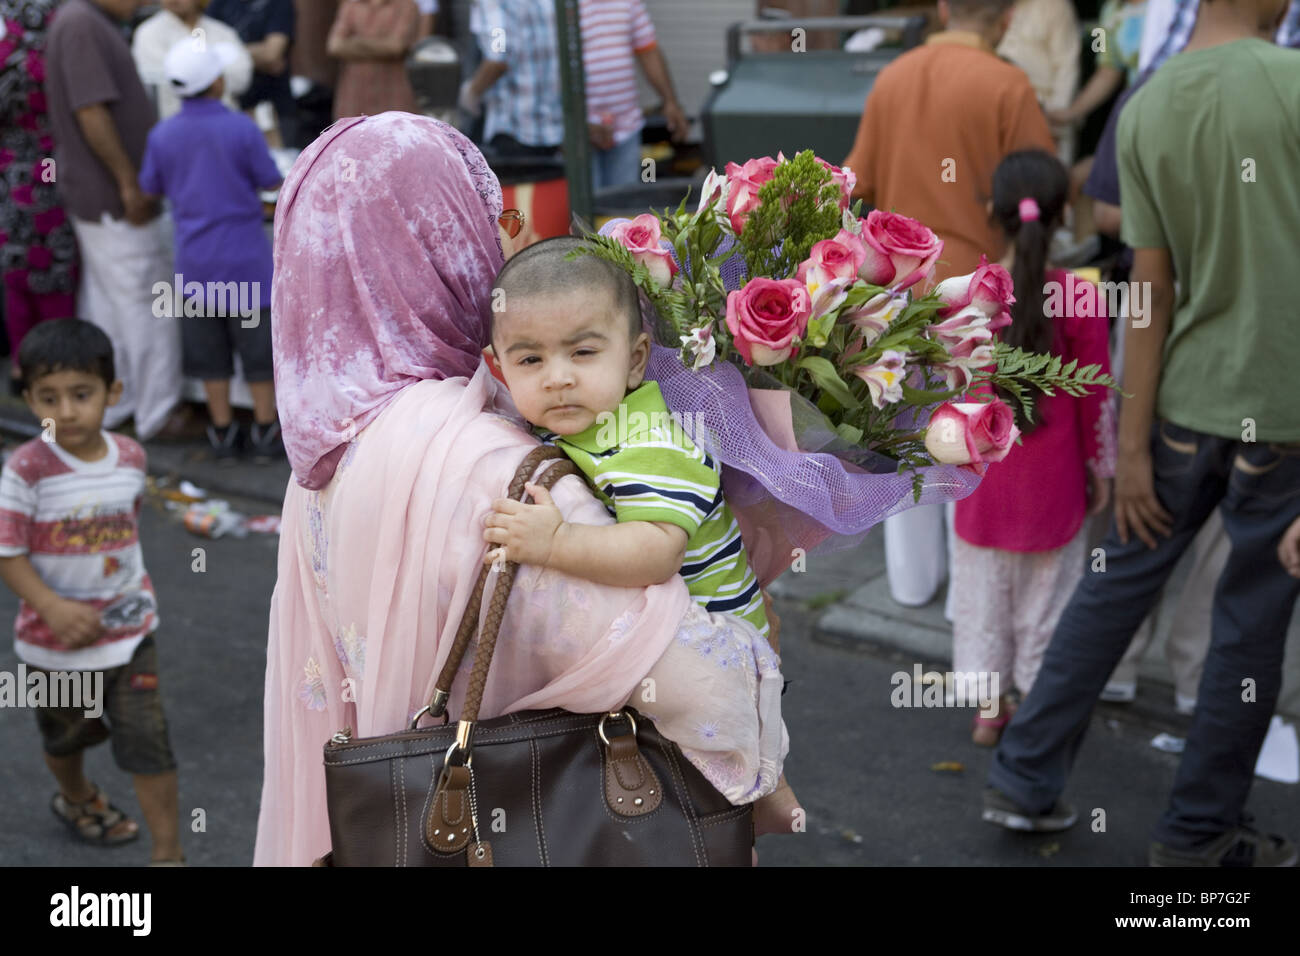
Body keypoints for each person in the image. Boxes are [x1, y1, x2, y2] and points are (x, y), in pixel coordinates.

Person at [253, 113, 792, 865]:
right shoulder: (490, 464)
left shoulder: (322, 448)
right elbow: (700, 692)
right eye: (479, 216)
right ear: (445, 241)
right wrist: (755, 660)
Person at [985, 0, 1300, 867]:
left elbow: (1146, 297)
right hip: (1282, 419)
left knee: (1114, 586)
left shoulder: (1150, 104)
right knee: (1249, 624)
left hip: (1176, 411)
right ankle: (1197, 835)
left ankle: (1023, 775)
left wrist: (1128, 447)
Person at [842, 0, 1056, 610]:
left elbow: (859, 182)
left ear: (941, 7)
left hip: (899, 290)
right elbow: (1035, 191)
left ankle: (911, 586)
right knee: (971, 437)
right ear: (1008, 16)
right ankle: (973, 596)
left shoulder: (895, 75)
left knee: (903, 428)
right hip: (980, 294)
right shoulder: (1008, 85)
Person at [0, 318, 182, 864]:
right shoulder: (25, 469)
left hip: (130, 636)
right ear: (30, 400)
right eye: (48, 398)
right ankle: (77, 796)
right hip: (52, 645)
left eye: (82, 394)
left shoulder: (130, 457)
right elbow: (7, 551)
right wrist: (52, 606)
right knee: (65, 739)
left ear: (113, 392)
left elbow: (124, 531)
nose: (67, 411)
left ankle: (169, 855)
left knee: (150, 746)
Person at [948, 150, 1114, 747]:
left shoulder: (966, 295)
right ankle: (1042, 718)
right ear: (1065, 212)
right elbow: (1098, 398)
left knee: (984, 596)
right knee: (1050, 602)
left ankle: (989, 712)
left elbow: (949, 391)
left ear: (994, 213)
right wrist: (1106, 471)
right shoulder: (1082, 296)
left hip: (982, 482)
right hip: (1057, 484)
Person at [44, 0, 186, 442]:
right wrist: (128, 182)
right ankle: (159, 413)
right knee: (146, 302)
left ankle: (119, 406)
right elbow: (91, 112)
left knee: (110, 304)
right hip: (111, 194)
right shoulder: (82, 23)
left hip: (98, 193)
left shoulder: (81, 21)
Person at [138, 40, 285, 464]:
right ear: (218, 82)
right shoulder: (241, 128)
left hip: (195, 267)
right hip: (246, 263)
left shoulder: (162, 134)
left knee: (210, 357)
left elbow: (151, 187)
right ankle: (264, 431)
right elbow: (270, 179)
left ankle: (221, 433)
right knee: (258, 356)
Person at [0, 0, 79, 396]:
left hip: (10, 175)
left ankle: (21, 365)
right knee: (55, 275)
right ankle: (56, 365)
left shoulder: (6, 52)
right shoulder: (54, 51)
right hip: (49, 173)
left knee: (16, 274)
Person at [578, 0, 688, 189]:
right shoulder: (562, 6)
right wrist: (577, 122)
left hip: (626, 126)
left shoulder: (629, 2)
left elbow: (648, 51)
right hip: (580, 132)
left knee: (624, 209)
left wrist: (670, 102)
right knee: (584, 213)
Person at [459, 0, 563, 157]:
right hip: (554, 131)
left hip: (513, 130)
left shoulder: (494, 4)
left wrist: (471, 93)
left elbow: (498, 55)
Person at [131, 0, 253, 120]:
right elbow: (164, 79)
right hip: (175, 124)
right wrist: (213, 72)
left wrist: (196, 75)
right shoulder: (148, 33)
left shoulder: (222, 32)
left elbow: (241, 76)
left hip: (224, 122)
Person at [996, 0, 1081, 163]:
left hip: (1048, 110)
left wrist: (1054, 117)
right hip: (1004, 111)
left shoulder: (1056, 6)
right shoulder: (989, 5)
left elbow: (1067, 65)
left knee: (1048, 180)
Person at [207, 0, 297, 146]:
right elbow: (205, 51)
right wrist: (254, 55)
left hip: (273, 108)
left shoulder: (279, 3)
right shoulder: (219, 4)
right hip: (232, 109)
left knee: (279, 161)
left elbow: (272, 55)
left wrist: (226, 53)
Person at [326, 0, 419, 119]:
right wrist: (379, 47)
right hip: (354, 96)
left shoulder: (406, 6)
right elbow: (335, 46)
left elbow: (396, 47)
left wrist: (355, 43)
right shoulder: (351, 5)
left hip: (392, 95)